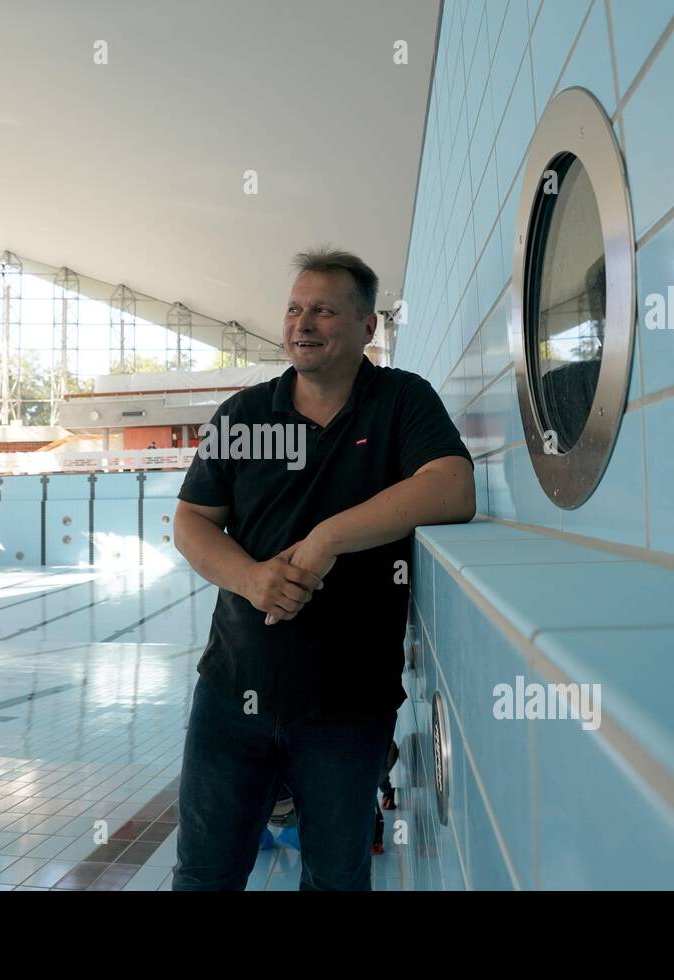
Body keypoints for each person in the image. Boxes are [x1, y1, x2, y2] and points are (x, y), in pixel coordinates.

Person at [170, 247, 475, 891]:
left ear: (368, 326)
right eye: (294, 309)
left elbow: (452, 488)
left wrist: (328, 538)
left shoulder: (399, 401)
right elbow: (192, 523)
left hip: (348, 703)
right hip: (234, 690)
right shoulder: (244, 414)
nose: (302, 323)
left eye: (325, 311)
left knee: (336, 879)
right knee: (204, 875)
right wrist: (252, 578)